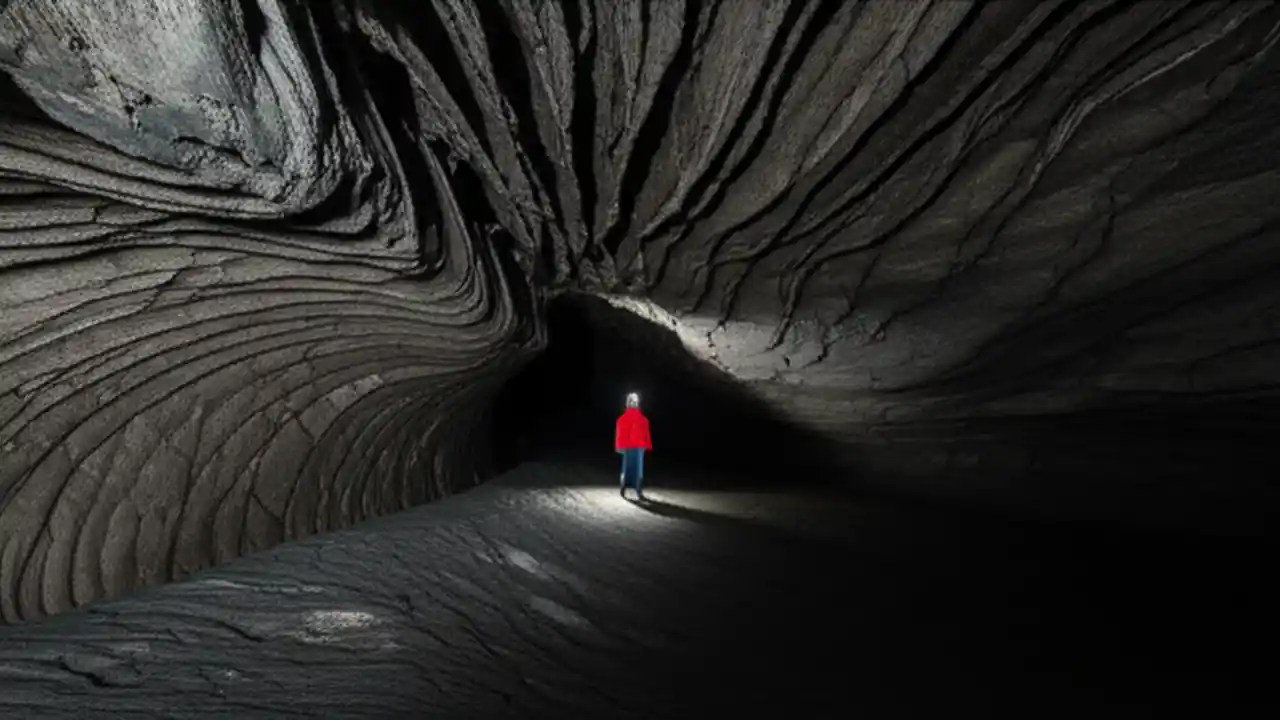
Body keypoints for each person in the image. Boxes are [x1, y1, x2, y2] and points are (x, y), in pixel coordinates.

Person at [615, 392, 653, 500]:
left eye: (636, 401)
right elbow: (620, 433)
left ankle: (638, 490)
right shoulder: (622, 419)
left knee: (638, 469)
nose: (634, 403)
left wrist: (646, 445)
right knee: (626, 468)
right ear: (628, 402)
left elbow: (645, 432)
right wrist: (619, 446)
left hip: (638, 447)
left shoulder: (643, 420)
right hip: (628, 447)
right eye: (632, 401)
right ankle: (623, 487)